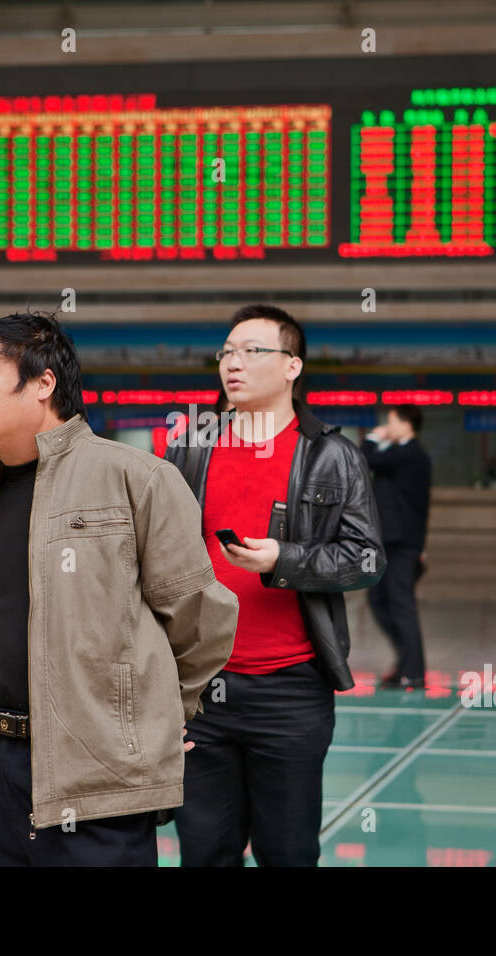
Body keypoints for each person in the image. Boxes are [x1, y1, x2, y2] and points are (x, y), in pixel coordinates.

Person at [0, 311, 238, 866]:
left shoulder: (137, 478)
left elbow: (201, 622)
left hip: (93, 769)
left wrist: (152, 718)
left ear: (44, 383)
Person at [165, 303, 387, 866]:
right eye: (226, 353)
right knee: (204, 851)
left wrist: (284, 559)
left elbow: (365, 560)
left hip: (290, 689)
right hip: (198, 688)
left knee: (286, 852)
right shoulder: (191, 447)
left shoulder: (332, 456)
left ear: (293, 366)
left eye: (252, 352)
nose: (232, 364)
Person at [362, 405, 432, 690]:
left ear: (406, 425)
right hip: (388, 542)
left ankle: (413, 671)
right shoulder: (400, 455)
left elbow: (366, 458)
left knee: (401, 605)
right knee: (379, 600)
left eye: (390, 422)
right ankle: (405, 662)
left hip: (402, 544)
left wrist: (372, 438)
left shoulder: (409, 454)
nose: (386, 427)